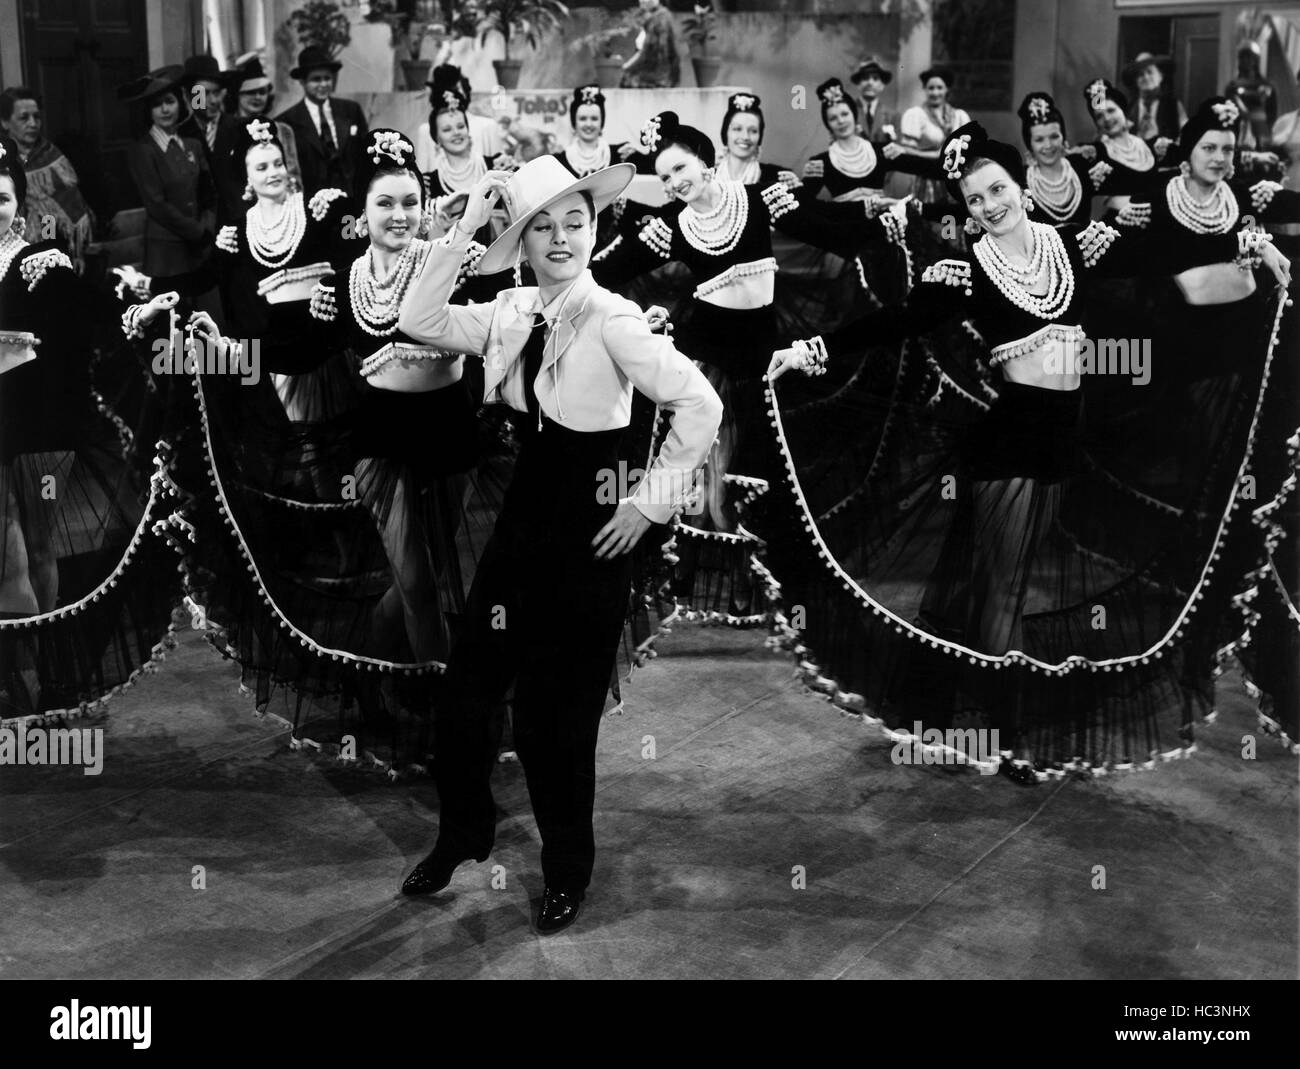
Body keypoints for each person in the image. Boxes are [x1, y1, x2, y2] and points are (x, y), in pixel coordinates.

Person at [763, 120, 1291, 778]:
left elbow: (1160, 253)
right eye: (975, 199)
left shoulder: (1070, 246)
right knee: (1005, 589)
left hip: (1062, 437)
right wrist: (812, 347)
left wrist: (1253, 249)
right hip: (1008, 440)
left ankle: (959, 705)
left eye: (996, 190)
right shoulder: (964, 272)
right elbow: (892, 321)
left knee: (1006, 585)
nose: (988, 205)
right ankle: (1003, 732)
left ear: (1018, 188)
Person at [397, 155, 723, 933]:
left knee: (555, 724)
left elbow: (699, 403)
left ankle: (567, 871)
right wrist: (468, 226)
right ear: (523, 241)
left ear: (594, 227)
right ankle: (464, 833)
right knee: (466, 695)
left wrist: (649, 505)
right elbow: (418, 320)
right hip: (521, 529)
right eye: (541, 226)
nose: (561, 237)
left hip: (592, 542)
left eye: (574, 221)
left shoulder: (613, 316)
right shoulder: (510, 311)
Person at [592, 111, 907, 618]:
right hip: (703, 358)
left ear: (706, 162)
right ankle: (693, 565)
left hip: (759, 358)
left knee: (752, 469)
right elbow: (606, 270)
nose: (674, 183)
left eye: (680, 169)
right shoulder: (671, 227)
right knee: (705, 469)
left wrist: (878, 215)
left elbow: (828, 230)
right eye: (665, 176)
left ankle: (746, 570)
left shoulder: (760, 203)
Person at [1, 137, 178, 717]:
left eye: (1, 198)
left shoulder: (36, 263)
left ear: (19, 207)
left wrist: (134, 311)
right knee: (9, 558)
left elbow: (90, 307)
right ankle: (25, 676)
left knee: (36, 549)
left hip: (35, 429)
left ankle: (39, 676)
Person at [121, 66, 221, 317]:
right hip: (167, 252)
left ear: (180, 105)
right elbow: (156, 204)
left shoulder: (193, 145)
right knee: (173, 323)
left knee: (204, 318)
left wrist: (207, 227)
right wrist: (197, 231)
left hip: (199, 249)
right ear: (149, 111)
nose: (165, 109)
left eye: (170, 101)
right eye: (157, 105)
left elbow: (209, 192)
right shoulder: (142, 149)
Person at [0, 87, 94, 272]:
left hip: (45, 244)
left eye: (37, 117)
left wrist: (50, 245)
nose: (33, 123)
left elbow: (57, 210)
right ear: (5, 122)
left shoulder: (51, 156)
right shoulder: (2, 159)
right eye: (24, 118)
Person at [802, 78, 936, 203]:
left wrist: (952, 163)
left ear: (854, 115)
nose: (841, 121)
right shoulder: (820, 163)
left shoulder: (880, 151)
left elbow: (926, 168)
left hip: (879, 224)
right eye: (833, 118)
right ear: (828, 125)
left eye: (844, 114)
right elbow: (802, 199)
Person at [276, 46, 369, 200]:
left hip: (351, 199)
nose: (323, 84)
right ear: (303, 82)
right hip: (311, 202)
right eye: (316, 79)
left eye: (327, 78)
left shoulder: (351, 111)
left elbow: (364, 154)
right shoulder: (287, 122)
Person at [1017, 92, 1100, 228]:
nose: (1048, 145)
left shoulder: (1082, 166)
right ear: (1029, 144)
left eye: (1054, 136)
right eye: (1039, 139)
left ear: (1063, 137)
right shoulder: (1021, 180)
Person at [177, 55, 243, 225]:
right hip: (198, 226)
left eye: (216, 92)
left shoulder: (239, 129)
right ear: (188, 96)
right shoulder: (180, 134)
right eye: (203, 94)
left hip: (237, 221)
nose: (213, 101)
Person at [897, 66, 971, 204]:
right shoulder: (916, 115)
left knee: (951, 219)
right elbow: (907, 151)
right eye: (931, 88)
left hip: (953, 179)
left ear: (946, 89)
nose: (935, 92)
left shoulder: (959, 116)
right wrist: (936, 154)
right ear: (924, 89)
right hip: (927, 178)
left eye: (939, 88)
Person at [1123, 52, 1187, 141]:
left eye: (1150, 72)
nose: (1146, 77)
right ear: (1136, 81)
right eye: (1141, 74)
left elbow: (1186, 135)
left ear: (1160, 76)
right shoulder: (1129, 107)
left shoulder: (1173, 105)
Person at [1225, 42, 1277, 150]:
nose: (1246, 61)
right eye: (1243, 57)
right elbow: (1229, 113)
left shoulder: (1266, 85)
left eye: (1250, 57)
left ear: (1255, 60)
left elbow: (1272, 112)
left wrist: (1268, 129)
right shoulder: (1232, 86)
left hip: (1262, 132)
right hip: (1238, 132)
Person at [621, 0, 680, 89]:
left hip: (659, 76)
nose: (641, 1)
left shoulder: (658, 20)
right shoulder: (662, 17)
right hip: (666, 75)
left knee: (626, 78)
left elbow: (647, 53)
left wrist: (625, 67)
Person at [851, 56, 900, 143]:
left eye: (875, 78)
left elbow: (898, 145)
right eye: (865, 78)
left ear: (882, 85)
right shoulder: (848, 112)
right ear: (858, 83)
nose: (870, 83)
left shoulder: (892, 116)